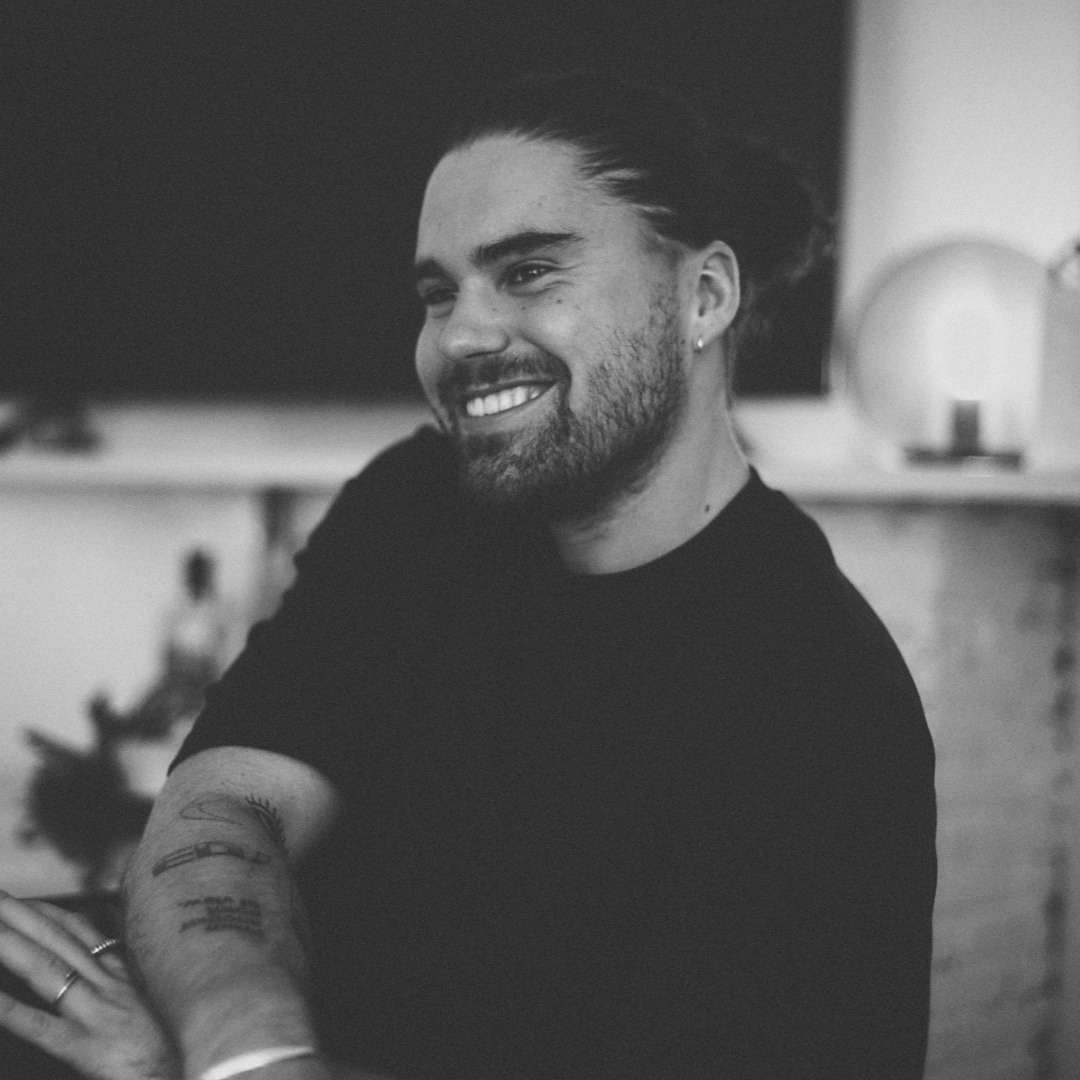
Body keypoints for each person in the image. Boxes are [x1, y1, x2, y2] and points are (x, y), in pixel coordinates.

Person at [0, 68, 937, 1080]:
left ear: (703, 296)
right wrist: (237, 1040)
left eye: (527, 271)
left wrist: (181, 1072)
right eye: (439, 293)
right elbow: (225, 805)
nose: (459, 336)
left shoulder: (818, 700)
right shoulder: (420, 506)